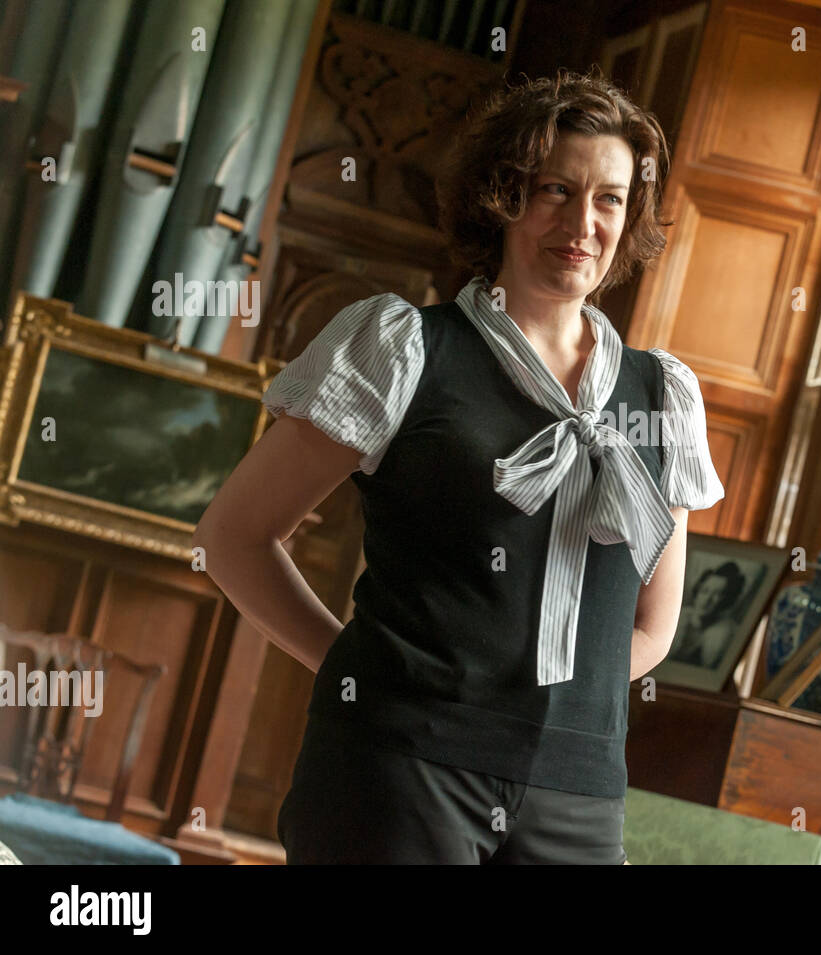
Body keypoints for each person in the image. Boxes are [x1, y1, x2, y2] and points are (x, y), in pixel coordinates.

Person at [192, 67, 724, 864]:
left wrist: (551, 713)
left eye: (610, 198)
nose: (583, 222)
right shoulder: (403, 347)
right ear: (503, 196)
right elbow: (232, 536)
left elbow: (652, 624)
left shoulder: (666, 395)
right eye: (555, 190)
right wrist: (355, 668)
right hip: (398, 770)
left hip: (577, 793)